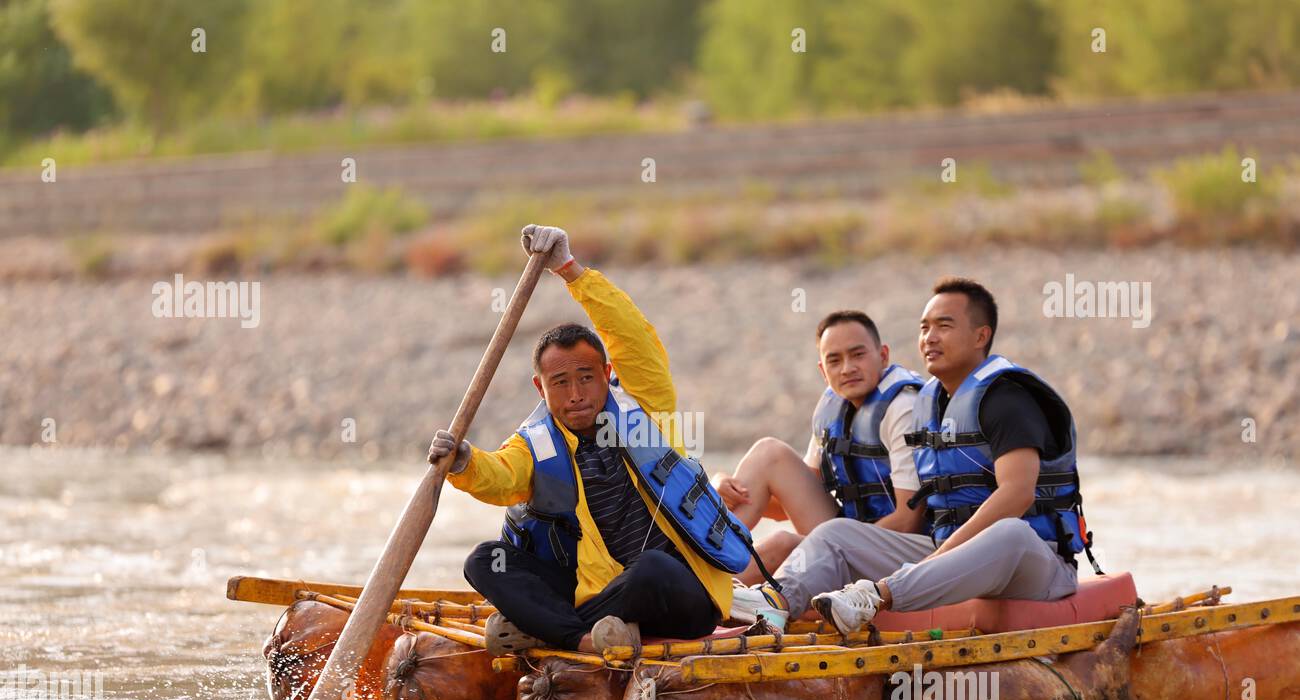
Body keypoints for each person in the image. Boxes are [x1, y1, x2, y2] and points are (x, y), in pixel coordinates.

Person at [428, 224, 759, 656]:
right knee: (484, 560)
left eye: (586, 377)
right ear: (540, 389)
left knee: (651, 569)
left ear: (606, 375)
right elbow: (500, 477)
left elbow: (633, 338)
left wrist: (570, 270)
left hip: (677, 594)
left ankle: (546, 627)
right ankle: (583, 640)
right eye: (561, 383)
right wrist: (463, 461)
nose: (577, 394)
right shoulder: (536, 443)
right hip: (594, 596)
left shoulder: (646, 405)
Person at [736, 276, 1099, 634]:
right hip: (942, 551)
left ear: (980, 336)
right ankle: (773, 602)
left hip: (1035, 563)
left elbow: (1017, 494)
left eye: (944, 326)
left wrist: (940, 558)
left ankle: (874, 596)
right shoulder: (930, 403)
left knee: (1011, 533)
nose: (930, 338)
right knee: (836, 534)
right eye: (924, 328)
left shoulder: (1008, 399)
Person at [713, 310, 927, 584]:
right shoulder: (834, 408)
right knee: (769, 453)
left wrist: (826, 543)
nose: (847, 368)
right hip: (847, 535)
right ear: (823, 371)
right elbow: (786, 505)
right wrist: (721, 493)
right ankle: (705, 562)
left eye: (857, 355)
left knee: (783, 545)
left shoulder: (902, 408)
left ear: (883, 356)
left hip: (901, 549)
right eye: (834, 361)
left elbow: (908, 521)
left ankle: (705, 598)